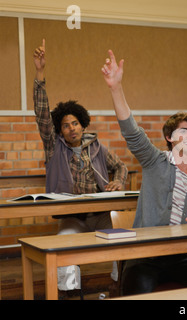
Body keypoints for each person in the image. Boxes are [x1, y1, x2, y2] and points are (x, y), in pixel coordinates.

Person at [101, 50, 187, 295]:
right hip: (145, 256)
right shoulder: (155, 161)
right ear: (169, 138)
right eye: (184, 131)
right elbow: (131, 131)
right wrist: (116, 88)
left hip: (182, 257)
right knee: (138, 290)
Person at [33, 39, 128, 294]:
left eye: (75, 123)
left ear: (82, 124)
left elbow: (120, 167)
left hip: (99, 216)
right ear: (60, 130)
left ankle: (118, 285)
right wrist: (40, 75)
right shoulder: (54, 148)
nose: (71, 128)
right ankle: (69, 293)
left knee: (124, 243)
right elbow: (42, 116)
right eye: (65, 125)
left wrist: (119, 181)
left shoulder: (98, 147)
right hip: (72, 217)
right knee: (64, 250)